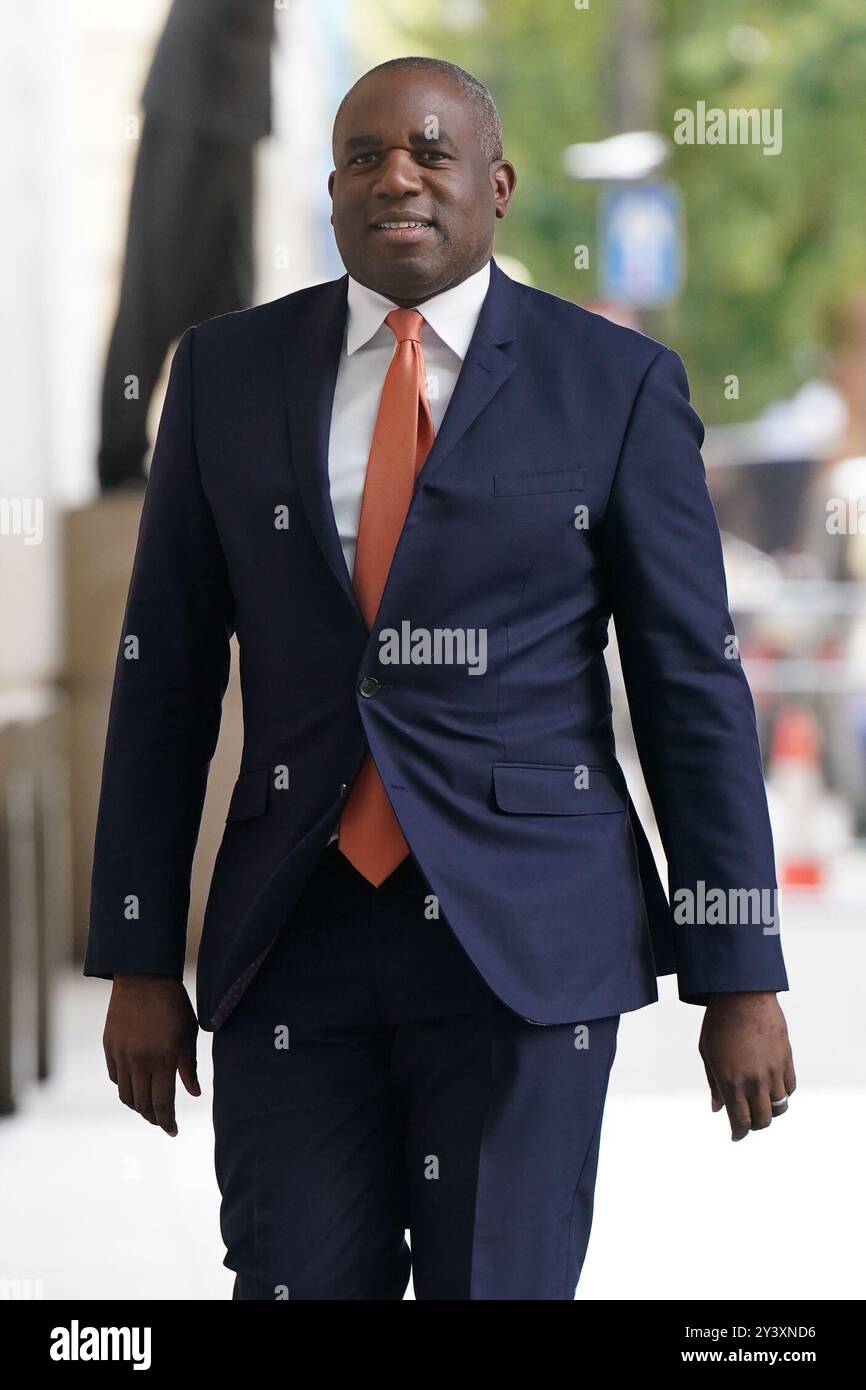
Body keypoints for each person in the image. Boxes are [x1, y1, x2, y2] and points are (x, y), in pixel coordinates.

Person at [85, 57, 796, 1301]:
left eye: (426, 151)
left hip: (524, 949)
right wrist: (139, 958)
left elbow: (690, 685)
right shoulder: (224, 373)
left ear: (497, 183)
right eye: (361, 156)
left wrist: (737, 971)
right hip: (287, 938)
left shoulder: (614, 386)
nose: (393, 178)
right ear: (330, 188)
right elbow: (164, 686)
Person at [96, 0, 274, 490]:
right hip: (195, 105)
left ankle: (215, 454)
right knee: (157, 286)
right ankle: (120, 455)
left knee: (229, 302)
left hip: (234, 105)